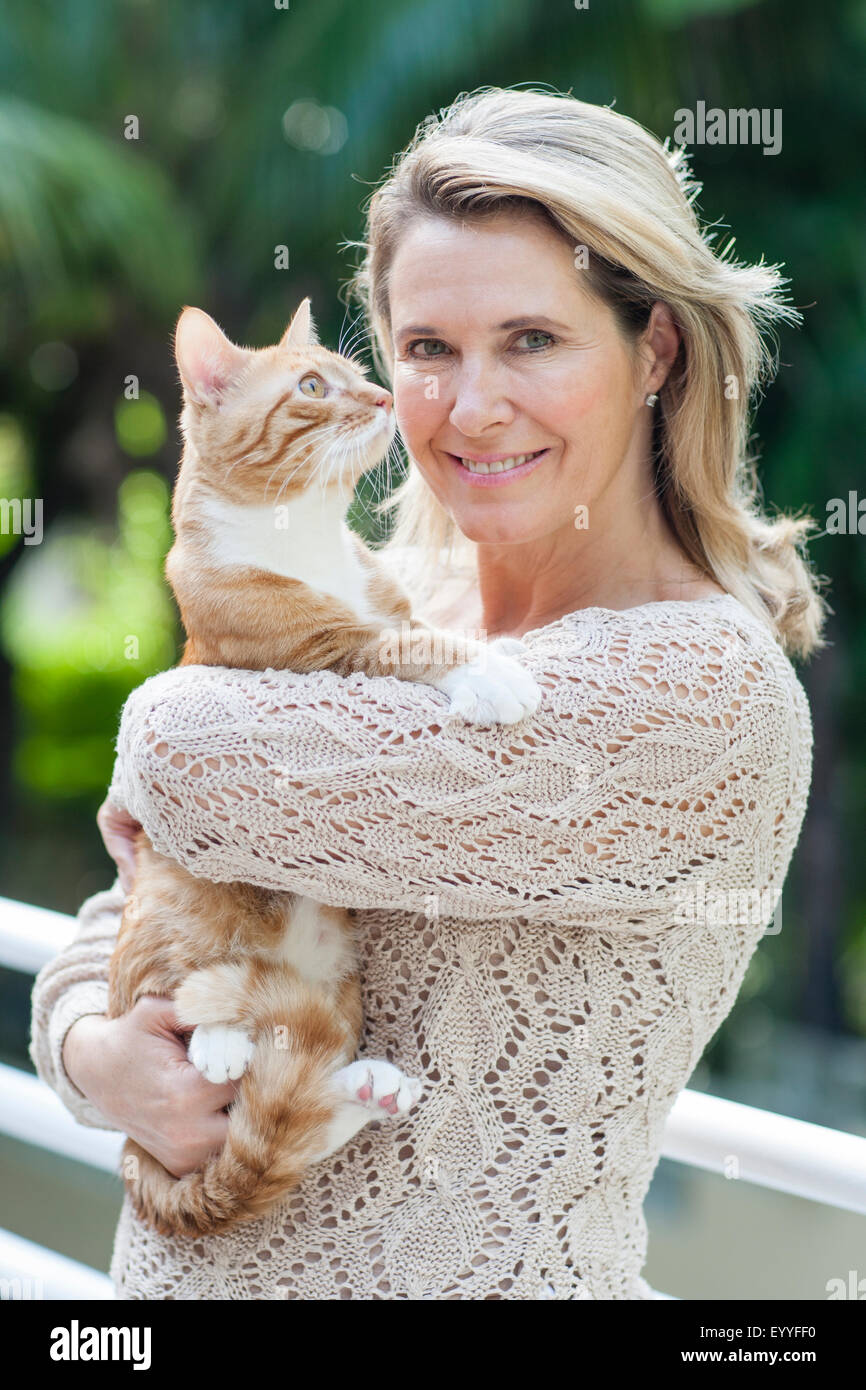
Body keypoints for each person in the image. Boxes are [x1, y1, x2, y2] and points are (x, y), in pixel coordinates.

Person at [30, 85, 824, 1300]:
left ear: (652, 350)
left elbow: (183, 758)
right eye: (426, 351)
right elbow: (125, 912)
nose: (468, 406)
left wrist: (160, 748)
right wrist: (99, 1060)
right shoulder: (385, 598)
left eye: (532, 340)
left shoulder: (698, 692)